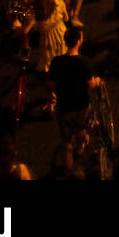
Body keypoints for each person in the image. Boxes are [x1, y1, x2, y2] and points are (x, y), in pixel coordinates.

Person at [48, 25, 100, 173]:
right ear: (78, 41)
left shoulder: (56, 62)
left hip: (63, 106)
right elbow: (90, 84)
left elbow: (51, 83)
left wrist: (51, 96)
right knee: (81, 128)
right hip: (80, 104)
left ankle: (68, 169)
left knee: (66, 142)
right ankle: (81, 146)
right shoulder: (85, 62)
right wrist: (97, 81)